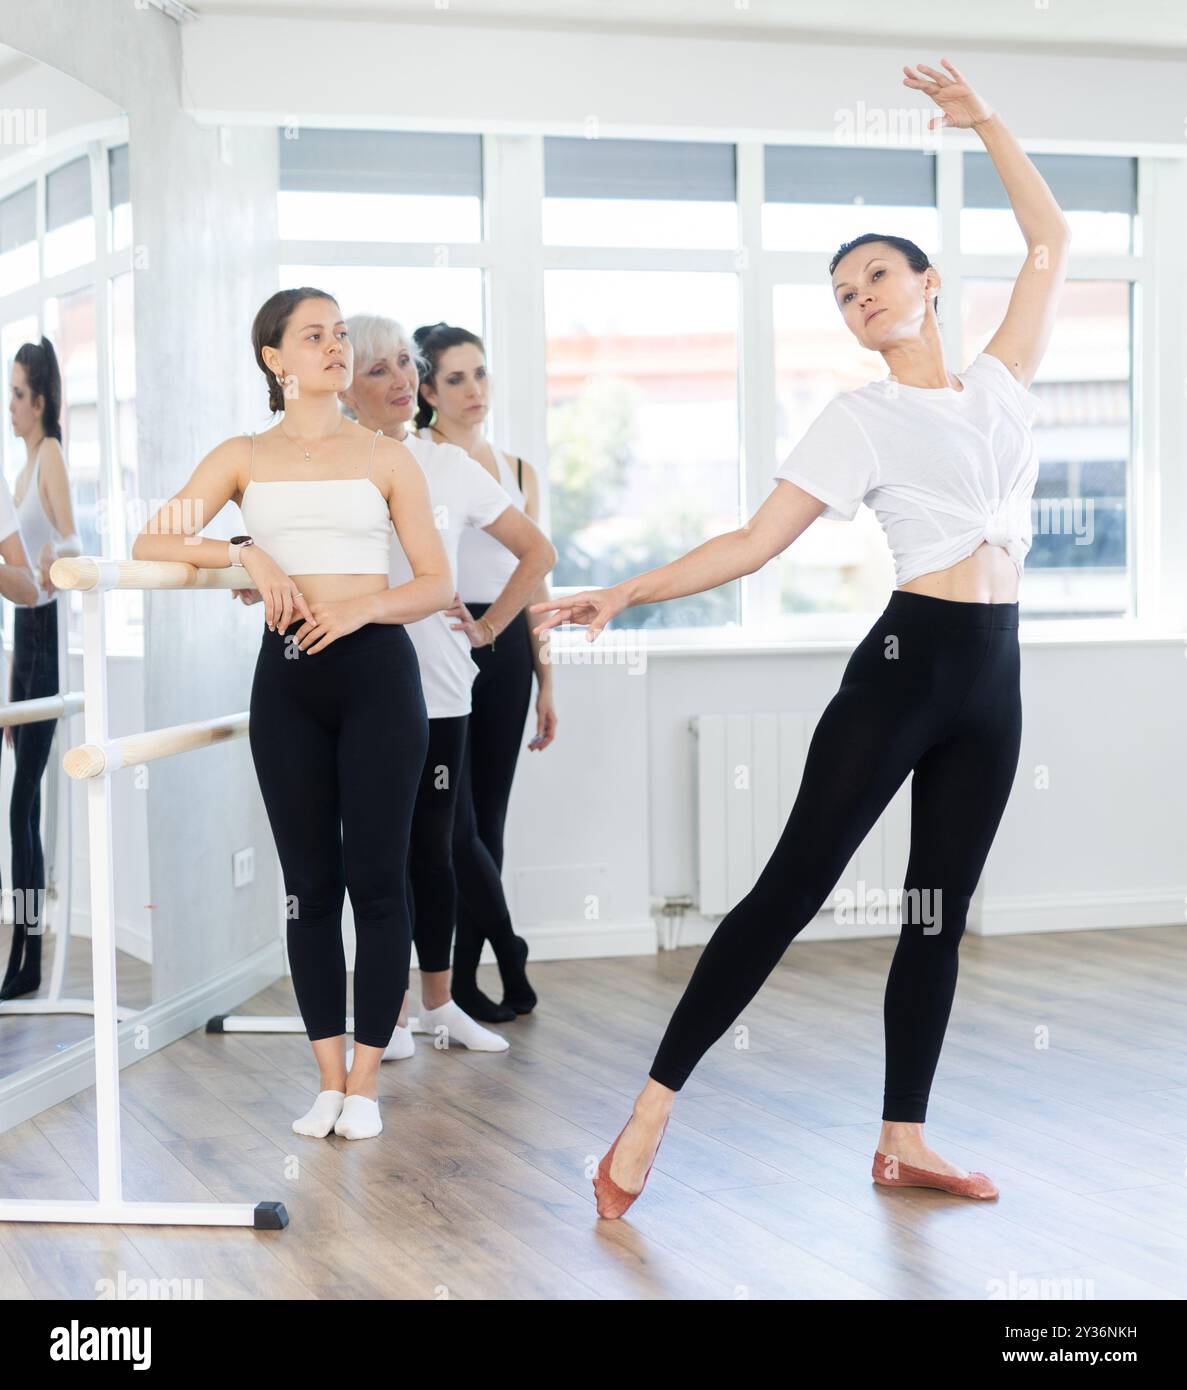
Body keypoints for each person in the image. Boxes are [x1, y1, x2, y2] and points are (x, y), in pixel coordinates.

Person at [531, 59, 1070, 1216]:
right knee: (787, 890)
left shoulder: (1000, 384)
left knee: (937, 910)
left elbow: (1047, 238)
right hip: (902, 668)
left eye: (875, 274)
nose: (857, 295)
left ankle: (903, 1137)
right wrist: (622, 592)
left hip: (994, 674)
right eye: (839, 291)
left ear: (926, 283)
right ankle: (648, 1108)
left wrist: (982, 123)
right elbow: (748, 543)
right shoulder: (855, 416)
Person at [133, 287, 454, 1141]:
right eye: (314, 336)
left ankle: (367, 1082)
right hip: (287, 681)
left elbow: (435, 582)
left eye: (341, 334)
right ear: (275, 360)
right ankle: (324, 1078)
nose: (335, 348)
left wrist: (358, 610)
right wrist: (241, 550)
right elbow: (152, 542)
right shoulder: (241, 455)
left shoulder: (387, 456)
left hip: (379, 675)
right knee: (308, 887)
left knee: (376, 883)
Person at [337, 313, 554, 1053]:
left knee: (433, 850)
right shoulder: (327, 465)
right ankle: (387, 1015)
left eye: (405, 364)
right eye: (380, 369)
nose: (400, 381)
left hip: (442, 685)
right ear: (345, 385)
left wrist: (490, 631)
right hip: (362, 685)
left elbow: (536, 551)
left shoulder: (450, 468)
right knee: (377, 854)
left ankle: (438, 1008)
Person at [414, 322, 556, 1018]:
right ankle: (504, 950)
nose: (474, 391)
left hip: (500, 644)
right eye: (455, 378)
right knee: (451, 825)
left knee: (486, 821)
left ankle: (468, 977)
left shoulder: (519, 470)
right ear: (427, 390)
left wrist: (546, 678)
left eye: (480, 374)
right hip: (441, 637)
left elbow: (535, 575)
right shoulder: (416, 459)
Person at [0, 340, 60, 1000]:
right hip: (24, 654)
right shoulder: (22, 469)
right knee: (20, 816)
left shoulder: (50, 460)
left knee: (22, 815)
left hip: (36, 642)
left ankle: (29, 951)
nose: (12, 407)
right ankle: (23, 950)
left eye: (19, 394)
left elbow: (33, 580)